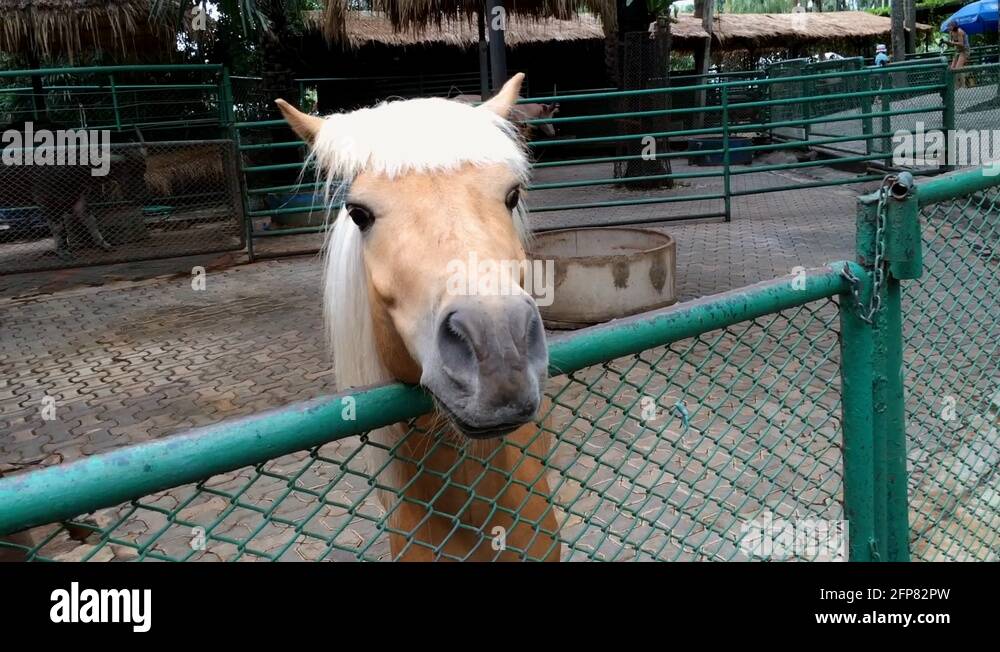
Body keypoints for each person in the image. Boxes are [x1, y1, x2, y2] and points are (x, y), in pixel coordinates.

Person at [945, 21, 970, 85]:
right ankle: (955, 85)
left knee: (958, 68)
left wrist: (952, 43)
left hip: (964, 50)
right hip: (957, 51)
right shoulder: (951, 32)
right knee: (952, 68)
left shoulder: (959, 31)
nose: (948, 28)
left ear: (954, 26)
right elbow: (952, 44)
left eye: (949, 26)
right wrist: (947, 42)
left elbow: (961, 44)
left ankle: (963, 86)